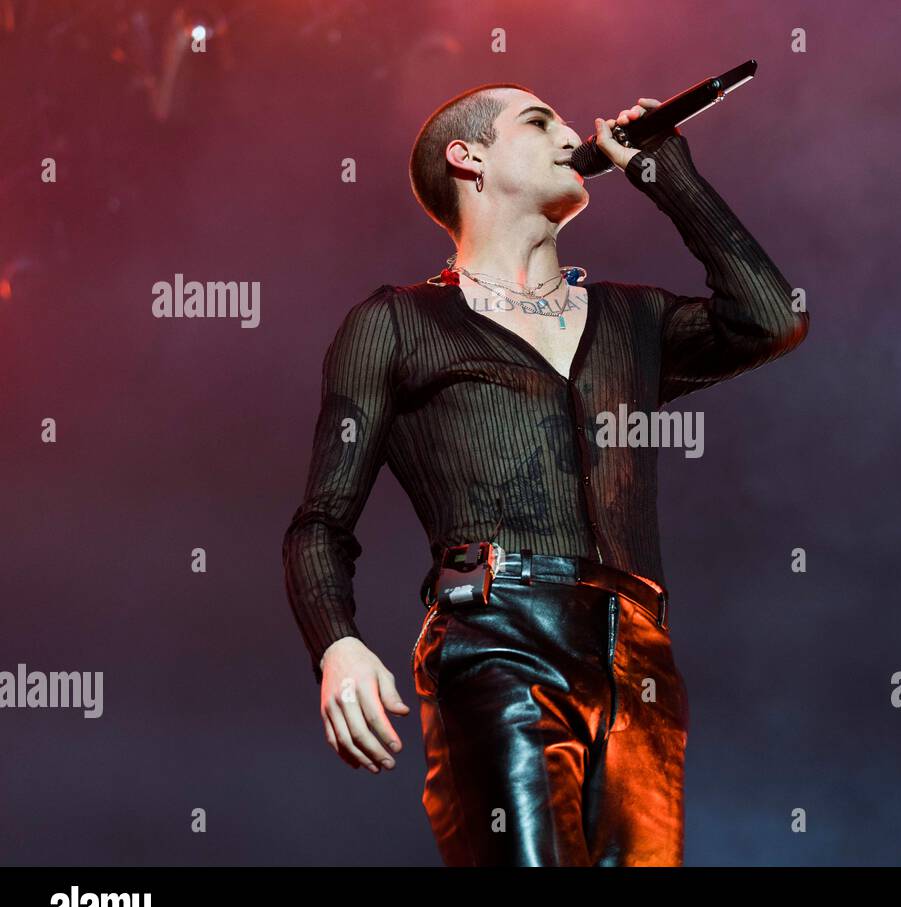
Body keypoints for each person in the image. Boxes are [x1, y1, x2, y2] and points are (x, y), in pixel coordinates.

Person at [281, 82, 810, 865]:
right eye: (540, 122)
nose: (573, 134)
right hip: (498, 633)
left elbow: (772, 318)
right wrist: (337, 644)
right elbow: (320, 523)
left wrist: (668, 173)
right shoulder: (397, 322)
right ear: (470, 159)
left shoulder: (632, 320)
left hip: (640, 657)